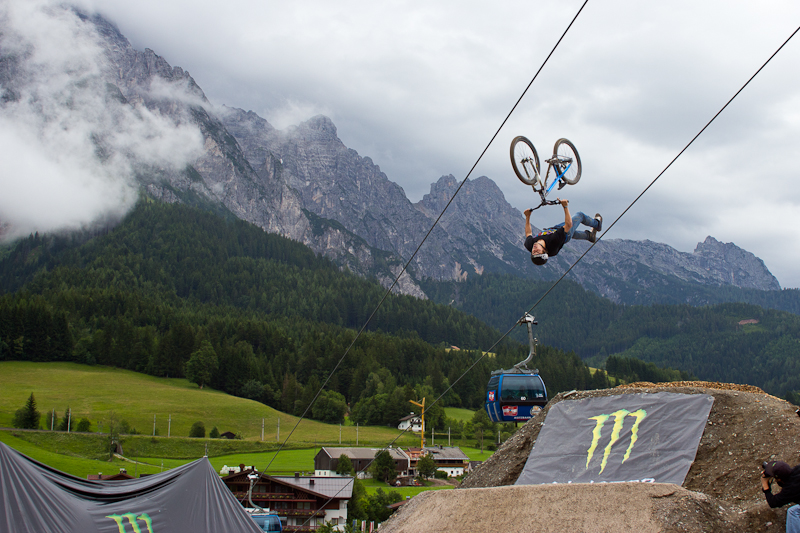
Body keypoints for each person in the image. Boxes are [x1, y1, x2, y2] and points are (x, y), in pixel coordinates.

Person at [524, 198, 602, 266]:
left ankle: (590, 236)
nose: (535, 250)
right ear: (544, 250)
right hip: (564, 235)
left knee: (573, 233)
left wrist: (527, 217)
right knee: (579, 215)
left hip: (555, 229)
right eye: (538, 251)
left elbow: (528, 233)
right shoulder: (553, 241)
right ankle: (597, 224)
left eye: (533, 252)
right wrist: (565, 206)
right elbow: (568, 225)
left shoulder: (530, 244)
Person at [762, 460, 800, 533]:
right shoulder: (797, 469)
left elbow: (773, 503)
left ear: (779, 479)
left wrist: (765, 486)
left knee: (793, 512)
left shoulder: (790, 489)